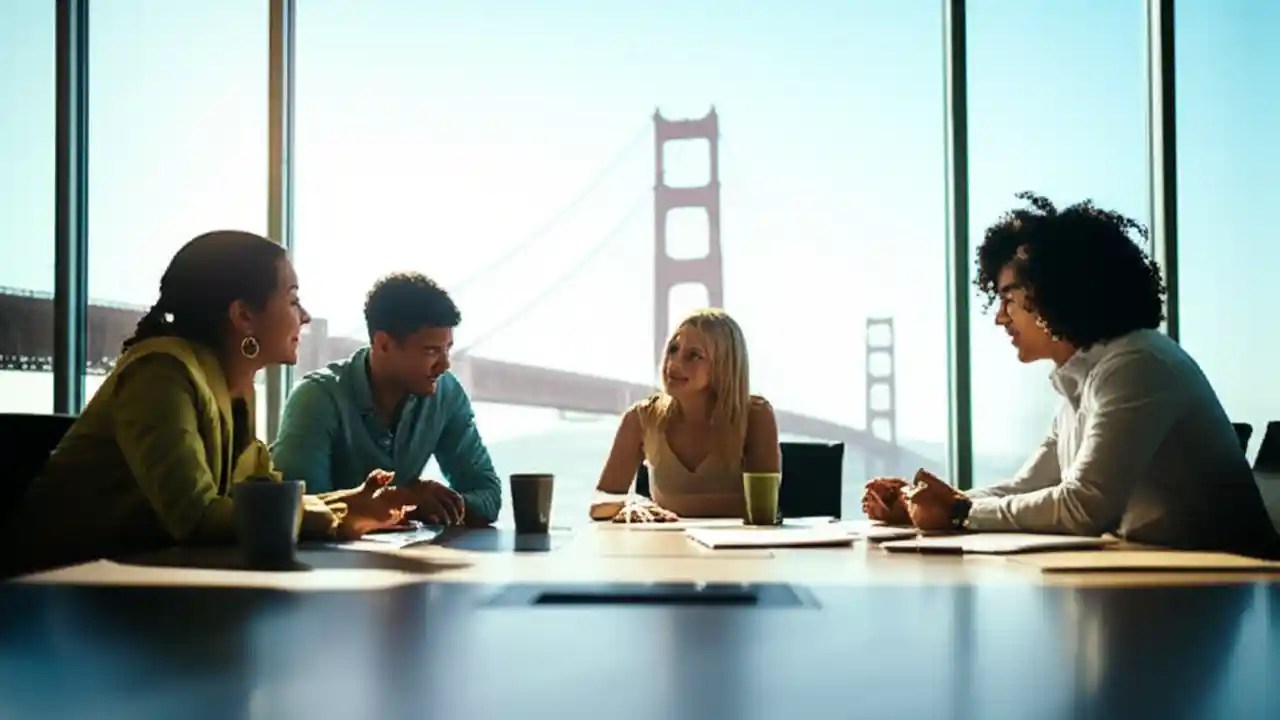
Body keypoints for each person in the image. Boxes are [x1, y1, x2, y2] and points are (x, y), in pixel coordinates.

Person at [863, 192, 1280, 558]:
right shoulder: (1086, 380)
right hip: (1173, 590)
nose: (999, 317)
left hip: (1233, 598)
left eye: (1008, 298)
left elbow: (1084, 507)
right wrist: (920, 506)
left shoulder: (1137, 365)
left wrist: (957, 512)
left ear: (1050, 293)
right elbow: (1025, 489)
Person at [3, 231, 412, 575]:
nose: (304, 316)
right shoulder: (161, 373)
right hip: (48, 598)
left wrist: (347, 502)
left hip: (128, 588)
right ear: (243, 316)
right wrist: (337, 521)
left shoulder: (235, 385)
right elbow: (195, 516)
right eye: (292, 299)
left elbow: (261, 499)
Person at [272, 272, 501, 527]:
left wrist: (428, 505)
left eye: (447, 349)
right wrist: (405, 500)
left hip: (396, 562)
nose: (445, 365)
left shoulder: (446, 394)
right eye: (431, 350)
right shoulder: (316, 398)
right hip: (322, 564)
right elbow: (296, 511)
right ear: (383, 344)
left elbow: (489, 498)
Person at [592, 308, 780, 518]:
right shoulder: (640, 418)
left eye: (694, 355)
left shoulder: (755, 416)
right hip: (666, 549)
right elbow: (599, 504)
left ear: (723, 365)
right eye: (673, 349)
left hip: (738, 549)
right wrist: (632, 504)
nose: (674, 363)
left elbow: (766, 511)